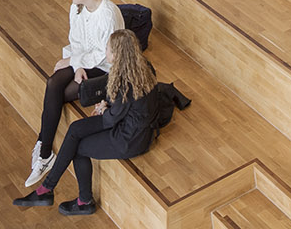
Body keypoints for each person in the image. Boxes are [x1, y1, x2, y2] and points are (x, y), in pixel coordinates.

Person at [13, 30, 189, 216]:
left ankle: (75, 199)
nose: (105, 52)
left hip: (129, 138)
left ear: (117, 54)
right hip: (133, 128)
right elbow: (125, 104)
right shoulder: (143, 66)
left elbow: (112, 118)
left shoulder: (126, 81)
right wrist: (107, 103)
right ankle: (47, 190)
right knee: (75, 130)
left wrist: (104, 109)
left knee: (78, 147)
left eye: (107, 49)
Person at [24, 0, 123, 188]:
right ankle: (45, 149)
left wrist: (74, 64)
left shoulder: (108, 14)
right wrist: (75, 64)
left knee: (65, 91)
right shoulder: (76, 7)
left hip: (105, 67)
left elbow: (104, 53)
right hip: (83, 60)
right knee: (54, 82)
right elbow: (76, 41)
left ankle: (44, 147)